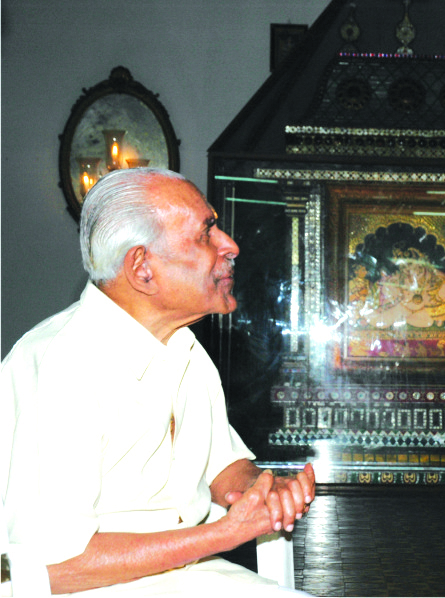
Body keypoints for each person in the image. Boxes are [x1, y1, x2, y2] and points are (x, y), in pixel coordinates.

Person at [1, 168, 316, 595]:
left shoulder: (183, 347)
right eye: (207, 234)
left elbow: (223, 467)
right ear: (142, 268)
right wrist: (226, 534)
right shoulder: (61, 362)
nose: (231, 246)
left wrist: (262, 489)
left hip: (190, 577)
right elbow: (56, 566)